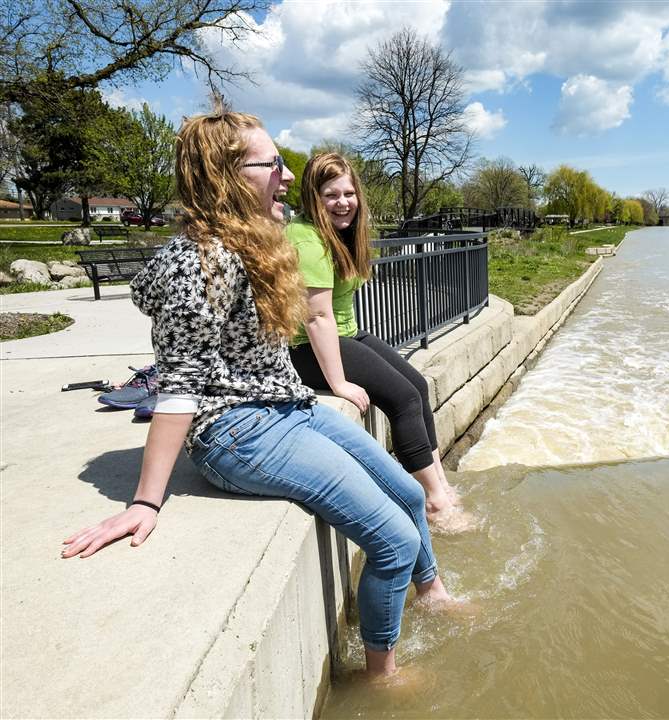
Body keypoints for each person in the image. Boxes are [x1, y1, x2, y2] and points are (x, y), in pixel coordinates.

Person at [61, 111, 450, 678]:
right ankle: (382, 681)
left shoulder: (256, 243)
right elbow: (179, 383)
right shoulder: (200, 263)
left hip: (289, 406)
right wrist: (146, 502)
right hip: (238, 431)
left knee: (410, 499)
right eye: (272, 164)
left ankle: (434, 594)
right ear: (225, 176)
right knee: (389, 539)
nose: (288, 175)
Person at [285, 153, 466, 528]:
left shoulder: (342, 233)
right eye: (330, 194)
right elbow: (316, 317)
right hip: (305, 348)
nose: (342, 202)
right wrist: (338, 382)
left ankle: (441, 484)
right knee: (401, 400)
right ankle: (432, 503)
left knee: (416, 385)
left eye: (348, 193)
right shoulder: (305, 237)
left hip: (346, 332)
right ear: (312, 197)